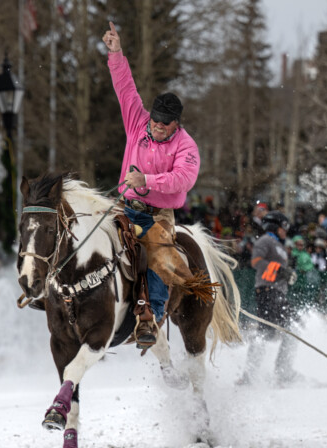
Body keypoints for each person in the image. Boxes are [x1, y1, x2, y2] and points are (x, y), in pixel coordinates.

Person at [103, 21, 204, 348]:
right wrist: (116, 53)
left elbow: (183, 180)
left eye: (164, 124)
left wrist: (146, 180)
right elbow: (125, 88)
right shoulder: (138, 122)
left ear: (176, 123)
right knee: (91, 235)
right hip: (125, 206)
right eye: (155, 121)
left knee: (159, 256)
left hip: (158, 215)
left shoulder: (186, 146)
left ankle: (152, 316)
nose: (157, 127)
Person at [237, 211, 301, 386]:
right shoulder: (265, 241)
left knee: (278, 330)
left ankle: (279, 371)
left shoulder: (280, 246)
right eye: (283, 227)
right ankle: (266, 373)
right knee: (283, 328)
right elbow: (256, 261)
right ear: (274, 226)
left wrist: (286, 273)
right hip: (267, 291)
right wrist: (279, 270)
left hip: (277, 292)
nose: (285, 231)